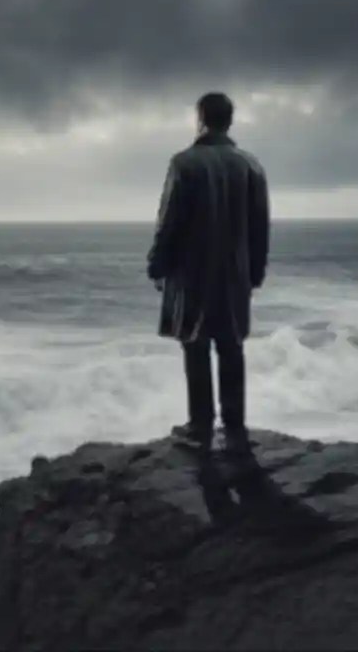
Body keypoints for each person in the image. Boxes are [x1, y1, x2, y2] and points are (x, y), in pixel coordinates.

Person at [146, 92, 270, 454]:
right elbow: (260, 227)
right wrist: (256, 272)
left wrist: (157, 264)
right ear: (229, 121)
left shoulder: (184, 163)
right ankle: (234, 425)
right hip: (236, 273)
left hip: (193, 271)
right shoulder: (251, 165)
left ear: (200, 118)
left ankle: (200, 425)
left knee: (195, 345)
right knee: (231, 346)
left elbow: (169, 221)